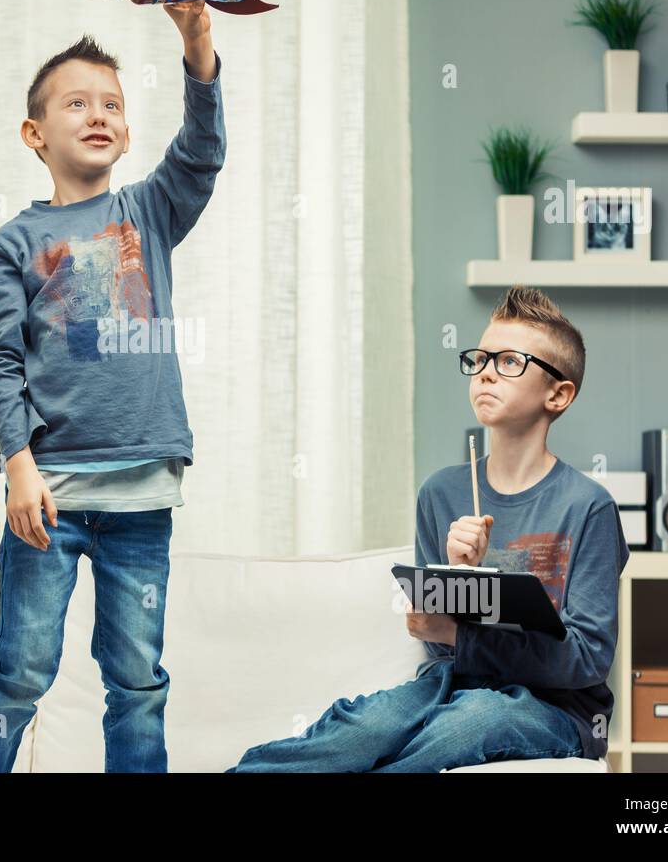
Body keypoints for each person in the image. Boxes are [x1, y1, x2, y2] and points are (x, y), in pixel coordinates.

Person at [0, 0, 225, 773]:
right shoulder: (14, 243)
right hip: (51, 497)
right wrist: (18, 465)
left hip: (141, 499)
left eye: (112, 103)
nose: (99, 115)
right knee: (19, 672)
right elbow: (1, 360)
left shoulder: (148, 210)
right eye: (76, 103)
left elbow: (203, 151)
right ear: (34, 134)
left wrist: (197, 41)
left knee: (137, 681)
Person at [228, 285, 629, 772]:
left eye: (509, 362)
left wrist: (463, 637)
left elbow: (586, 659)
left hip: (558, 709)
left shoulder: (588, 507)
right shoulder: (441, 493)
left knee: (470, 722)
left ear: (558, 393)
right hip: (451, 683)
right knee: (362, 730)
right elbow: (435, 639)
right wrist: (457, 576)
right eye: (480, 359)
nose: (484, 372)